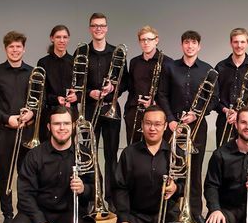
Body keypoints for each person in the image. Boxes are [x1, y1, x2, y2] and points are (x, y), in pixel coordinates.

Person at [156, 30, 216, 223]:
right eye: (186, 42)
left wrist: (197, 114)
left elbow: (213, 99)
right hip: (173, 126)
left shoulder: (208, 70)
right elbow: (162, 95)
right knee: (172, 168)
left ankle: (196, 211)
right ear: (182, 45)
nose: (190, 46)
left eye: (193, 43)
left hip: (197, 126)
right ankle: (171, 210)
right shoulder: (170, 67)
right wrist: (171, 120)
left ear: (199, 46)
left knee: (195, 169)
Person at [77, 13, 127, 212]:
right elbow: (77, 80)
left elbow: (126, 80)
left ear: (106, 28)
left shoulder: (117, 53)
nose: (98, 29)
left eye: (102, 25)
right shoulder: (82, 51)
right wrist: (90, 92)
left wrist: (114, 89)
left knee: (111, 155)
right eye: (94, 26)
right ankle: (92, 196)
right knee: (89, 154)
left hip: (110, 108)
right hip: (90, 108)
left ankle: (111, 198)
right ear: (90, 28)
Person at [0, 31, 35, 223]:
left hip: (27, 132)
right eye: (11, 47)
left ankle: (25, 212)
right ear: (6, 49)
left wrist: (31, 113)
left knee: (27, 175)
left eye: (18, 47)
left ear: (24, 48)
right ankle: (7, 214)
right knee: (4, 175)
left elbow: (39, 102)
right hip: (4, 131)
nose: (15, 50)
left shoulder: (34, 72)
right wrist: (7, 118)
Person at [214, 28, 248, 147]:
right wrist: (225, 111)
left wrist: (241, 113)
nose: (239, 45)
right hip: (225, 120)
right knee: (223, 157)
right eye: (236, 42)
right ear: (231, 43)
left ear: (247, 43)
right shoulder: (220, 67)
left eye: (242, 42)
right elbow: (214, 97)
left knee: (247, 156)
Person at [122, 25, 172, 145]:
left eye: (149, 39)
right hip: (135, 111)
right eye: (143, 40)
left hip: (157, 112)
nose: (146, 42)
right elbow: (131, 87)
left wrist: (155, 103)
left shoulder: (168, 62)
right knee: (133, 147)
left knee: (156, 148)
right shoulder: (134, 62)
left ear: (156, 40)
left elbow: (169, 90)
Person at [37, 24, 74, 132]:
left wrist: (76, 96)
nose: (62, 40)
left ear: (68, 39)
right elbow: (41, 92)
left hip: (70, 111)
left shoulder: (74, 61)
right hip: (49, 111)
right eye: (58, 37)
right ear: (52, 38)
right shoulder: (43, 62)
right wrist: (55, 99)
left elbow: (81, 88)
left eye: (65, 37)